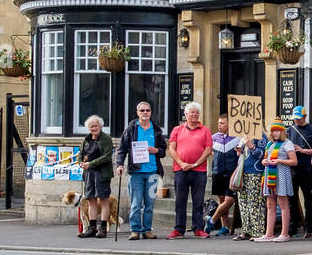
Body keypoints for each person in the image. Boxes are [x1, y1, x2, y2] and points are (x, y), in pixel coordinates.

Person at [114, 101, 167, 241]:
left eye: (147, 110)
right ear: (137, 113)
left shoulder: (156, 130)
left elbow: (163, 151)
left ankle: (147, 230)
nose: (145, 113)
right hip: (136, 172)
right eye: (142, 110)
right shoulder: (131, 129)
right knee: (136, 203)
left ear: (151, 112)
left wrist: (156, 150)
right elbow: (121, 150)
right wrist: (119, 164)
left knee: (149, 204)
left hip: (152, 172)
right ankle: (135, 230)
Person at [167, 102, 214, 239]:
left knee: (198, 201)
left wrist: (195, 164)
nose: (194, 114)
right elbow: (171, 148)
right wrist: (181, 163)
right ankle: (179, 229)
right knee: (180, 201)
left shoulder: (205, 130)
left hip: (199, 170)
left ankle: (198, 228)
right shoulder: (177, 129)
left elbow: (208, 149)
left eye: (196, 112)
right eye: (191, 112)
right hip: (181, 170)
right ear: (186, 114)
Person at [255, 120, 297, 242]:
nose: (275, 133)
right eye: (273, 131)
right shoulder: (270, 144)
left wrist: (279, 161)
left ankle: (285, 234)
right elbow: (265, 158)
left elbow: (294, 161)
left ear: (282, 131)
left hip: (282, 174)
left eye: (277, 131)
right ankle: (269, 234)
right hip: (270, 175)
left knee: (283, 203)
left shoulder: (287, 143)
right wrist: (264, 161)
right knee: (270, 204)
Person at [77, 115, 114, 238]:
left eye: (96, 125)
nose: (94, 128)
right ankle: (91, 227)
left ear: (100, 126)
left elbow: (107, 156)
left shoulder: (106, 139)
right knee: (90, 199)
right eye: (91, 126)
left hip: (102, 173)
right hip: (88, 173)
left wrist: (91, 164)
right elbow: (80, 154)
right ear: (88, 128)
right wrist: (81, 162)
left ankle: (103, 228)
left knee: (103, 199)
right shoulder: (86, 140)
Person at [208, 114, 242, 237]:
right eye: (219, 123)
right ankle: (224, 226)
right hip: (217, 172)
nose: (219, 125)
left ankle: (212, 220)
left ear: (229, 125)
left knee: (230, 200)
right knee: (222, 199)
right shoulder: (214, 137)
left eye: (222, 123)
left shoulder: (237, 138)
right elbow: (209, 151)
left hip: (231, 173)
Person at [287, 105, 312, 238]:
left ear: (305, 117)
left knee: (308, 199)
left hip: (306, 167)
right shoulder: (290, 130)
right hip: (292, 168)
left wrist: (302, 150)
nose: (297, 121)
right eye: (295, 119)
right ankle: (292, 227)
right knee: (291, 200)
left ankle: (309, 228)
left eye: (299, 119)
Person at [233, 136, 268, 241]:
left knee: (255, 203)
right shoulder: (243, 137)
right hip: (243, 173)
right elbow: (242, 155)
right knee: (243, 204)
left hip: (255, 173)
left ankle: (257, 231)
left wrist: (251, 146)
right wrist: (239, 152)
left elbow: (262, 155)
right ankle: (246, 231)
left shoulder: (261, 137)